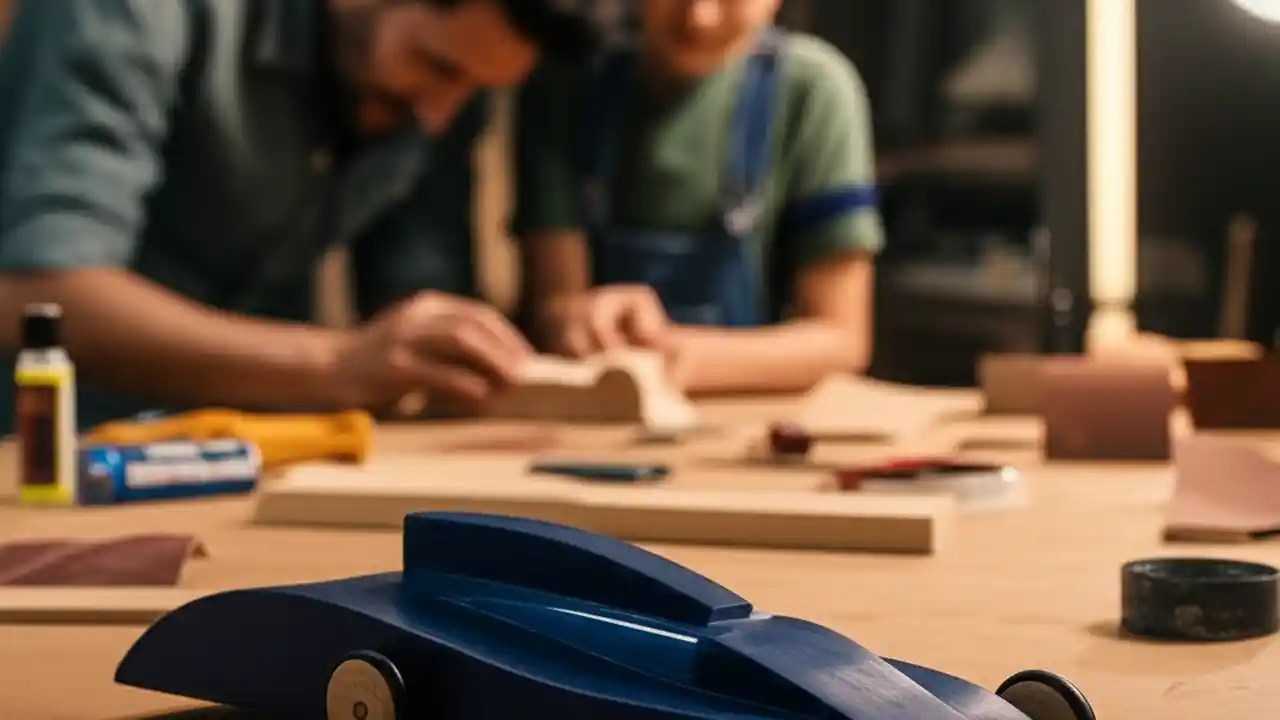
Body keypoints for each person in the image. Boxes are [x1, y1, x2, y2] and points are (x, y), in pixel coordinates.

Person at [0, 0, 607, 432]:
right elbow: (36, 292)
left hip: (261, 457)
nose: (440, 114)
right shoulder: (135, 12)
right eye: (439, 68)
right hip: (51, 462)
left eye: (475, 90)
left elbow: (423, 303)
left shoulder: (431, 89)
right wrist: (338, 365)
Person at [514, 0, 885, 395]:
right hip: (593, 412)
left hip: (747, 420)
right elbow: (551, 303)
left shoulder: (813, 90)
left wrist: (676, 355)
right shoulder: (570, 83)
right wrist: (575, 322)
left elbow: (842, 339)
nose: (699, 18)